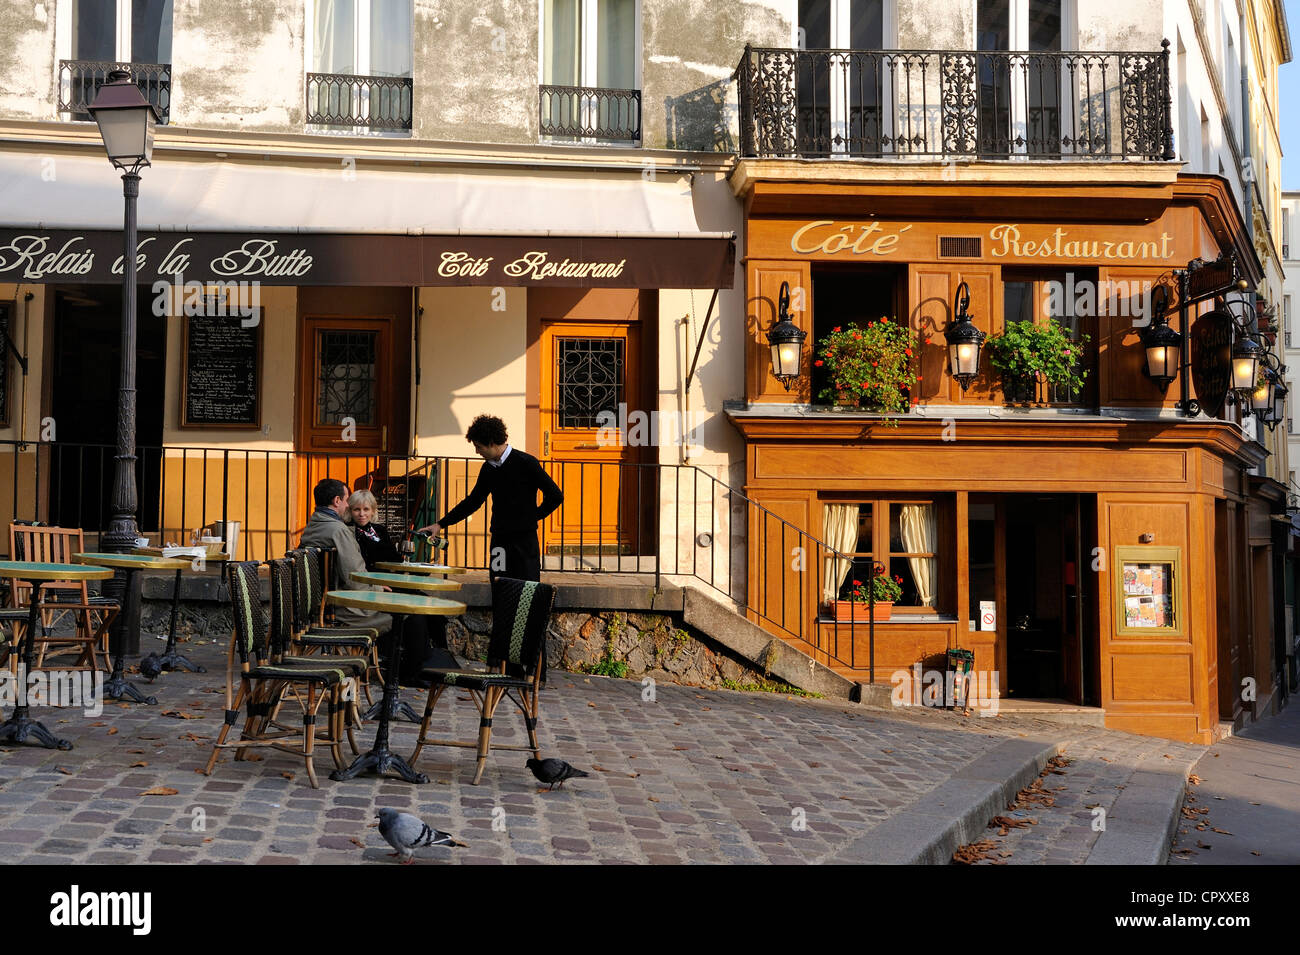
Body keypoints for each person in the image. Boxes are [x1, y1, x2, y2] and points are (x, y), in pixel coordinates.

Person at [419, 414, 562, 582]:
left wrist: (533, 517)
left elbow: (555, 495)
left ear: (492, 443)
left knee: (526, 590)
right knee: (499, 586)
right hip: (499, 541)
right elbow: (473, 501)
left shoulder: (526, 462)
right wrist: (440, 524)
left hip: (524, 541)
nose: (477, 451)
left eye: (479, 446)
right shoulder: (488, 469)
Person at [299, 478, 391, 636]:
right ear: (337, 500)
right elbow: (355, 579)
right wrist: (378, 588)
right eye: (347, 500)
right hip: (341, 609)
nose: (348, 505)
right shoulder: (338, 530)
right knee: (402, 616)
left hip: (315, 606)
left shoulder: (311, 527)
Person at [348, 489, 400, 570]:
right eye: (357, 509)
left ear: (372, 511)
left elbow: (396, 558)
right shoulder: (349, 531)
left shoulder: (380, 529)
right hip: (366, 578)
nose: (361, 514)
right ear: (350, 511)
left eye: (366, 509)